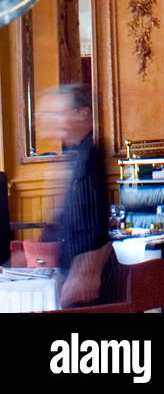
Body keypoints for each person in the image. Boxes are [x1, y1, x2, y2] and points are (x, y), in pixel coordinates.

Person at [37, 83, 116, 306]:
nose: (53, 121)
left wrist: (85, 273)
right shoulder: (75, 154)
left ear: (83, 114)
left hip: (85, 282)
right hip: (72, 272)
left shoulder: (90, 156)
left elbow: (95, 226)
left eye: (58, 114)